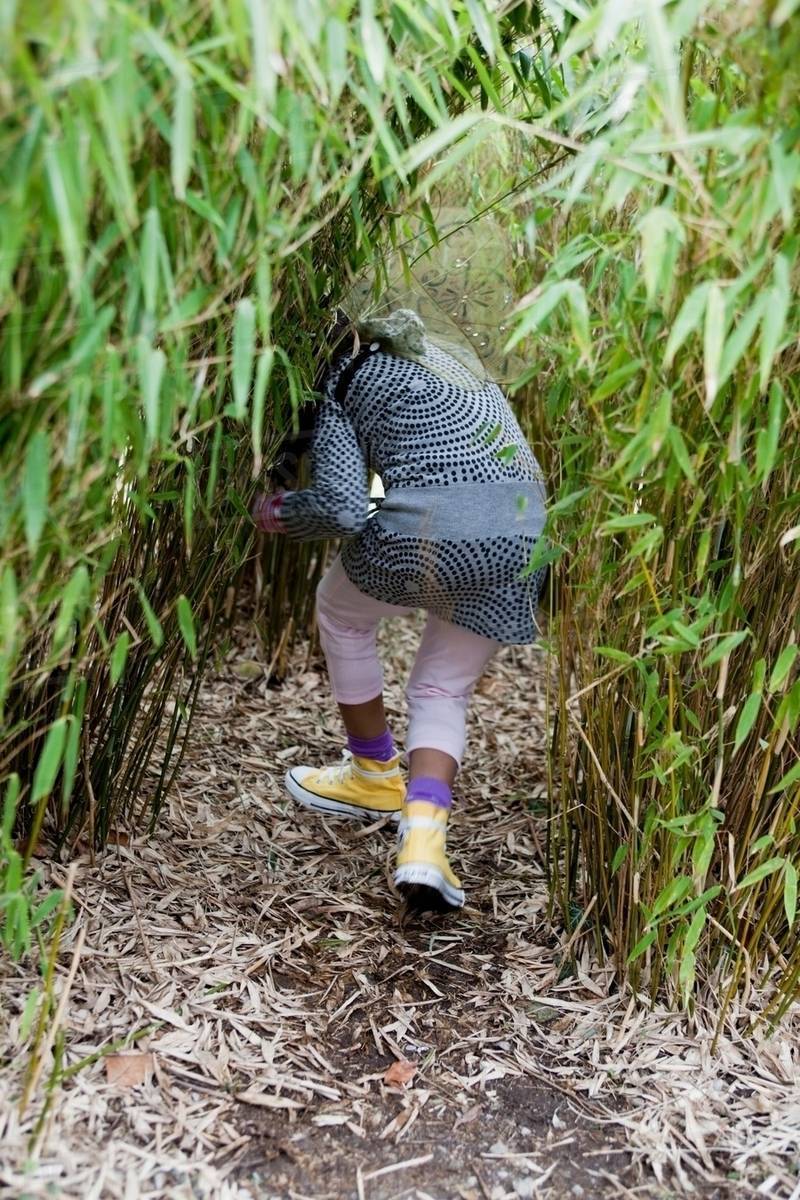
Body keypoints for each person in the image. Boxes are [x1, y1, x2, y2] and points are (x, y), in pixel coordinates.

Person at [252, 309, 547, 912]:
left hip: (433, 531)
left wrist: (274, 511)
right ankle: (423, 845)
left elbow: (340, 510)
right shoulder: (448, 355)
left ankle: (373, 772)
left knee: (339, 611)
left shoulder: (343, 375)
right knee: (441, 691)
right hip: (524, 532)